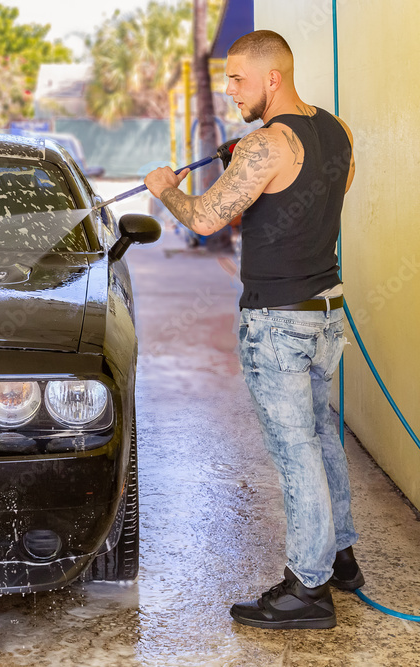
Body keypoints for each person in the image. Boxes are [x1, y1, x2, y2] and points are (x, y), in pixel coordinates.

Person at [143, 30, 362, 630]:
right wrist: (247, 159)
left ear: (273, 78)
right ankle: (340, 557)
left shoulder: (266, 145)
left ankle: (307, 590)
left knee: (297, 455)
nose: (230, 90)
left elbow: (209, 219)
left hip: (278, 319)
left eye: (238, 79)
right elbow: (331, 188)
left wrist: (167, 190)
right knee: (320, 437)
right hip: (325, 314)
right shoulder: (337, 130)